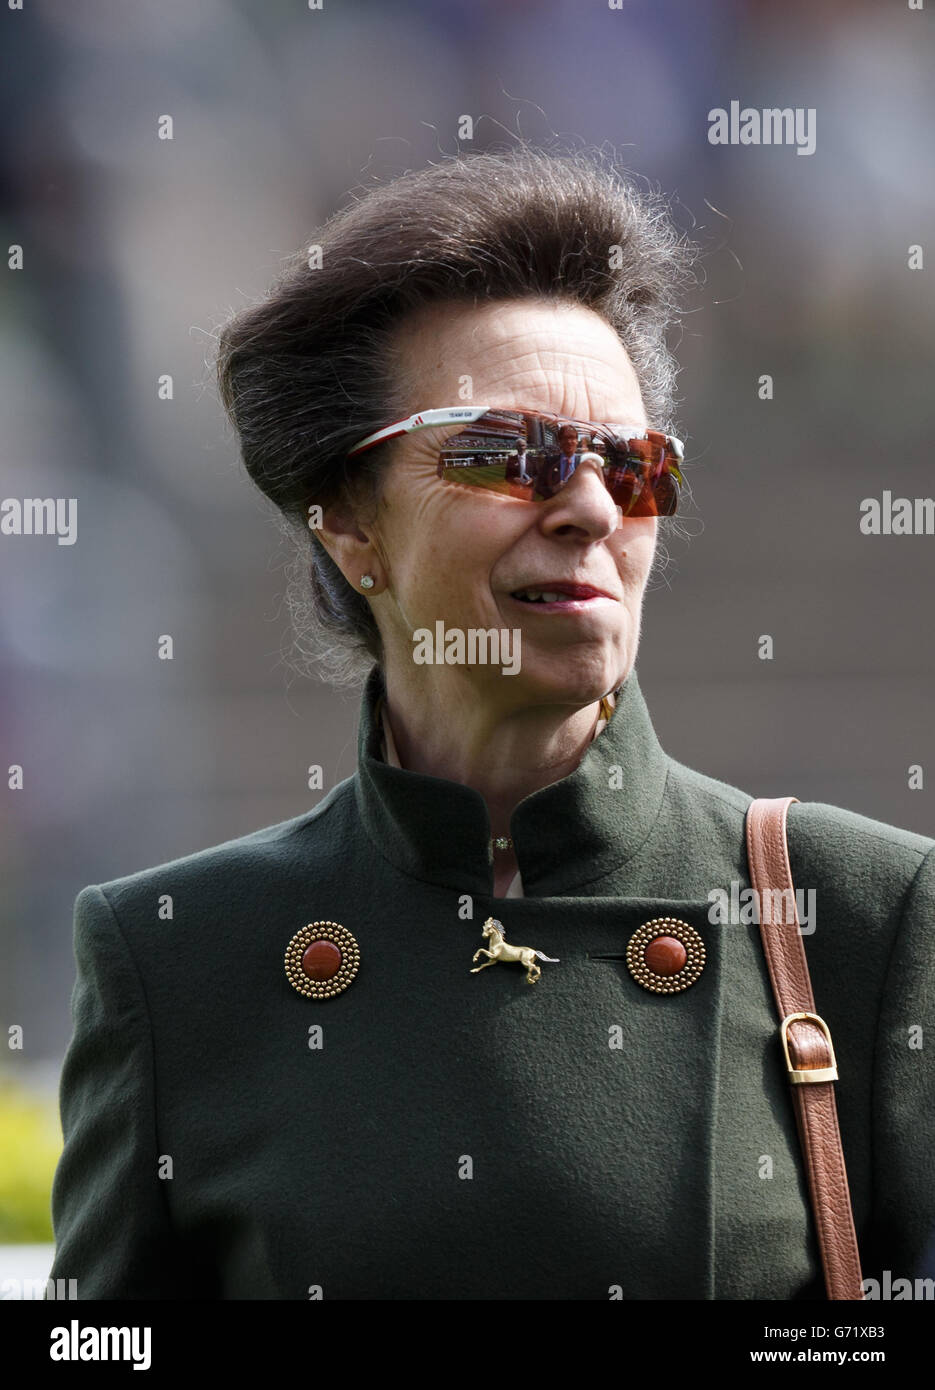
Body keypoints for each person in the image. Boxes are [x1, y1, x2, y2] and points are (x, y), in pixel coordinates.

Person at [48, 145, 934, 1300]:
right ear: (348, 527)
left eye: (634, 464)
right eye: (509, 454)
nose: (586, 505)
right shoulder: (174, 955)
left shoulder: (855, 916)